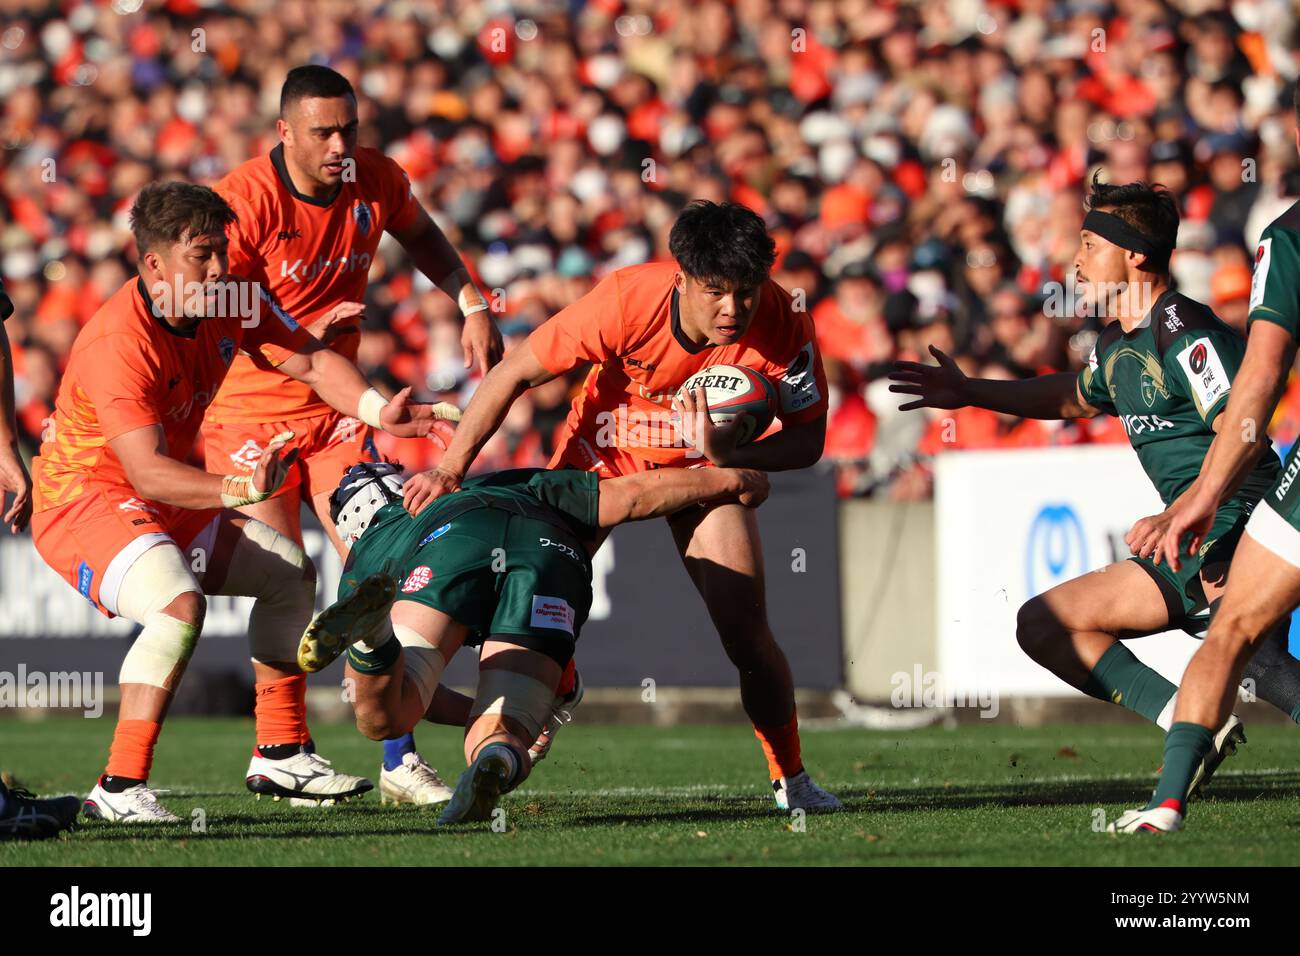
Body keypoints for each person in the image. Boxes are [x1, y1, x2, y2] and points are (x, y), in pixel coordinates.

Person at [28, 181, 450, 822]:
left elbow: (308, 365)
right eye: (203, 254)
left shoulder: (230, 300)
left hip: (159, 493)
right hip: (83, 498)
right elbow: (145, 472)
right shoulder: (118, 341)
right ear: (154, 265)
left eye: (222, 249)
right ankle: (118, 787)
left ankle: (279, 750)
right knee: (178, 605)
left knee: (289, 573)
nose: (221, 267)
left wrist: (376, 410)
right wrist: (238, 489)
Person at [401, 200, 841, 811]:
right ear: (680, 276)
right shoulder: (628, 299)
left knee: (746, 631)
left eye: (746, 292)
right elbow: (514, 374)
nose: (733, 310)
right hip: (602, 458)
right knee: (529, 606)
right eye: (716, 292)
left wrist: (730, 455)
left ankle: (791, 780)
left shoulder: (786, 321)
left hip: (701, 470)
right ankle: (552, 687)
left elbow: (809, 440)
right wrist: (451, 469)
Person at [891, 179, 1300, 798]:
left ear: (1134, 253)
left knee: (1256, 658)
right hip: (1191, 534)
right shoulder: (1114, 342)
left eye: (1089, 243)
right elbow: (1071, 398)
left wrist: (1217, 527)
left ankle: (1183, 755)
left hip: (1235, 524)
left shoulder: (1180, 326)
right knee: (1048, 625)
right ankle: (1183, 724)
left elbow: (1243, 432)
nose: (1075, 260)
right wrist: (972, 391)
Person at [201, 65, 502, 805]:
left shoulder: (376, 180)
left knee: (380, 569)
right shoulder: (245, 202)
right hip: (250, 412)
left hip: (340, 415)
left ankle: (398, 757)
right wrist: (302, 335)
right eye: (322, 132)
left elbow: (423, 235)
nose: (340, 145)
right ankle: (279, 750)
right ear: (283, 133)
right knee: (284, 578)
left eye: (349, 129)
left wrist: (469, 299)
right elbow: (217, 316)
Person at [299, 460, 770, 823]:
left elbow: (379, 701)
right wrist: (732, 479)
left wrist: (462, 709)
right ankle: (495, 759)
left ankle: (375, 638)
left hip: (443, 548)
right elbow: (629, 496)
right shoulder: (500, 478)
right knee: (502, 728)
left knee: (386, 716)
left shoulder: (367, 551)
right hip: (545, 546)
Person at [1112, 88, 1300, 833]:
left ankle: (1166, 804)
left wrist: (1199, 498)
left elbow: (1257, 384)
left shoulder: (1289, 238)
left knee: (1231, 628)